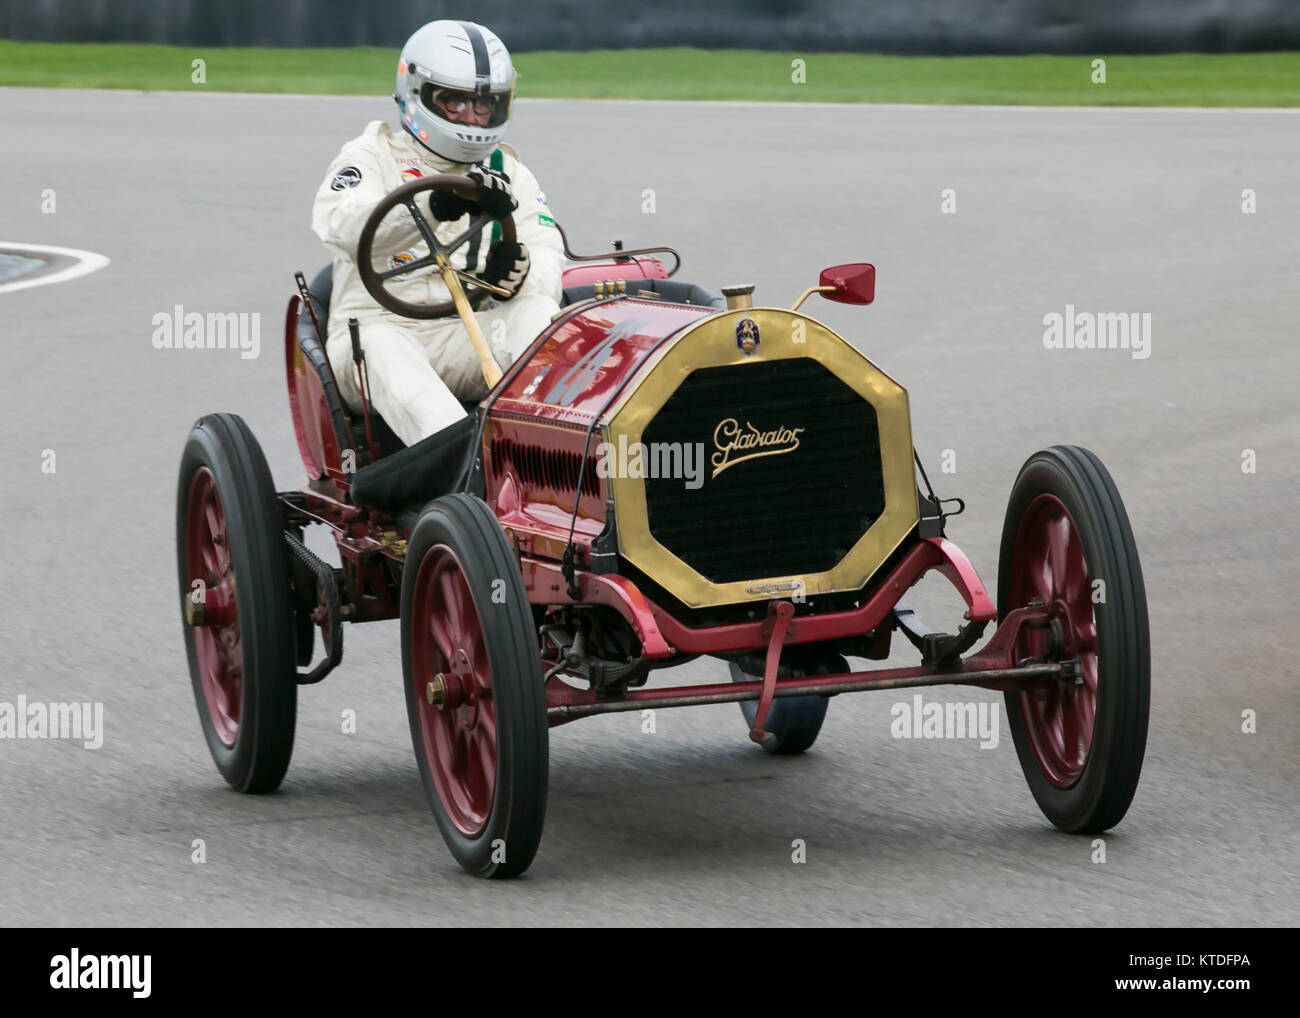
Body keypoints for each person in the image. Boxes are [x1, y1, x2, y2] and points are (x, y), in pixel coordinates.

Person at [312, 19, 564, 447]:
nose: (471, 116)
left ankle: (550, 454)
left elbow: (546, 254)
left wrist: (518, 277)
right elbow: (341, 225)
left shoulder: (509, 172)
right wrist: (432, 207)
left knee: (539, 313)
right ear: (417, 94)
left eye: (483, 105)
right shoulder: (371, 154)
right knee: (384, 348)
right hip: (375, 333)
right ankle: (467, 471)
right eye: (454, 102)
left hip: (463, 334)